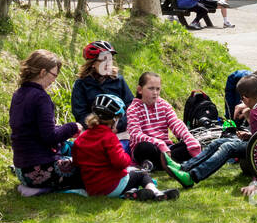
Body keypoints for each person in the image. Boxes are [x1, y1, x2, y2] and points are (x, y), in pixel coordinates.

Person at [73, 95, 178, 202]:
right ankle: (155, 192)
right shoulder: (109, 137)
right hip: (111, 186)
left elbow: (76, 162)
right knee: (141, 175)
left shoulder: (81, 138)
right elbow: (120, 163)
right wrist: (128, 158)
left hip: (92, 189)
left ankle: (132, 193)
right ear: (114, 120)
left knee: (129, 177)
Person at [9, 49, 81, 197]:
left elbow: (36, 131)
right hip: (40, 170)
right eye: (54, 75)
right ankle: (43, 188)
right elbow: (50, 136)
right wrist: (73, 126)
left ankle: (35, 188)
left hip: (22, 171)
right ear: (43, 72)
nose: (54, 79)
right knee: (92, 169)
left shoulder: (18, 94)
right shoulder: (41, 98)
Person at [126, 71, 201, 180]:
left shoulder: (164, 105)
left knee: (188, 145)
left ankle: (159, 165)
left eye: (158, 89)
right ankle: (168, 164)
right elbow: (135, 134)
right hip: (150, 149)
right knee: (143, 147)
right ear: (140, 90)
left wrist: (189, 139)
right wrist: (159, 143)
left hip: (166, 149)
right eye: (151, 88)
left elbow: (176, 123)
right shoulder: (133, 109)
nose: (155, 92)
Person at [70, 41, 134, 134]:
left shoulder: (118, 80)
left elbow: (131, 107)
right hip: (93, 129)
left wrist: (119, 125)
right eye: (103, 60)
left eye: (110, 59)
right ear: (93, 63)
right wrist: (100, 127)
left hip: (119, 130)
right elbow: (80, 113)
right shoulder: (81, 84)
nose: (108, 63)